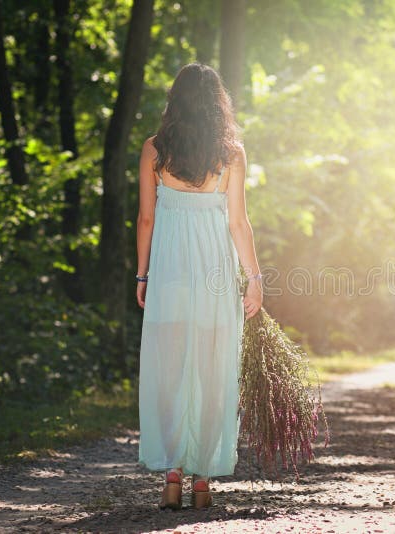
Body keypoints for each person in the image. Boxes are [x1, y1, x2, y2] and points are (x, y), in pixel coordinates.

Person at [134, 62, 263, 510]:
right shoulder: (231, 154)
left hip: (169, 273)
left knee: (169, 370)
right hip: (214, 276)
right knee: (212, 371)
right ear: (217, 104)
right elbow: (238, 223)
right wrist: (254, 278)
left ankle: (172, 475)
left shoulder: (154, 150)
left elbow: (146, 219)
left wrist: (142, 274)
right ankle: (203, 480)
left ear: (176, 100)